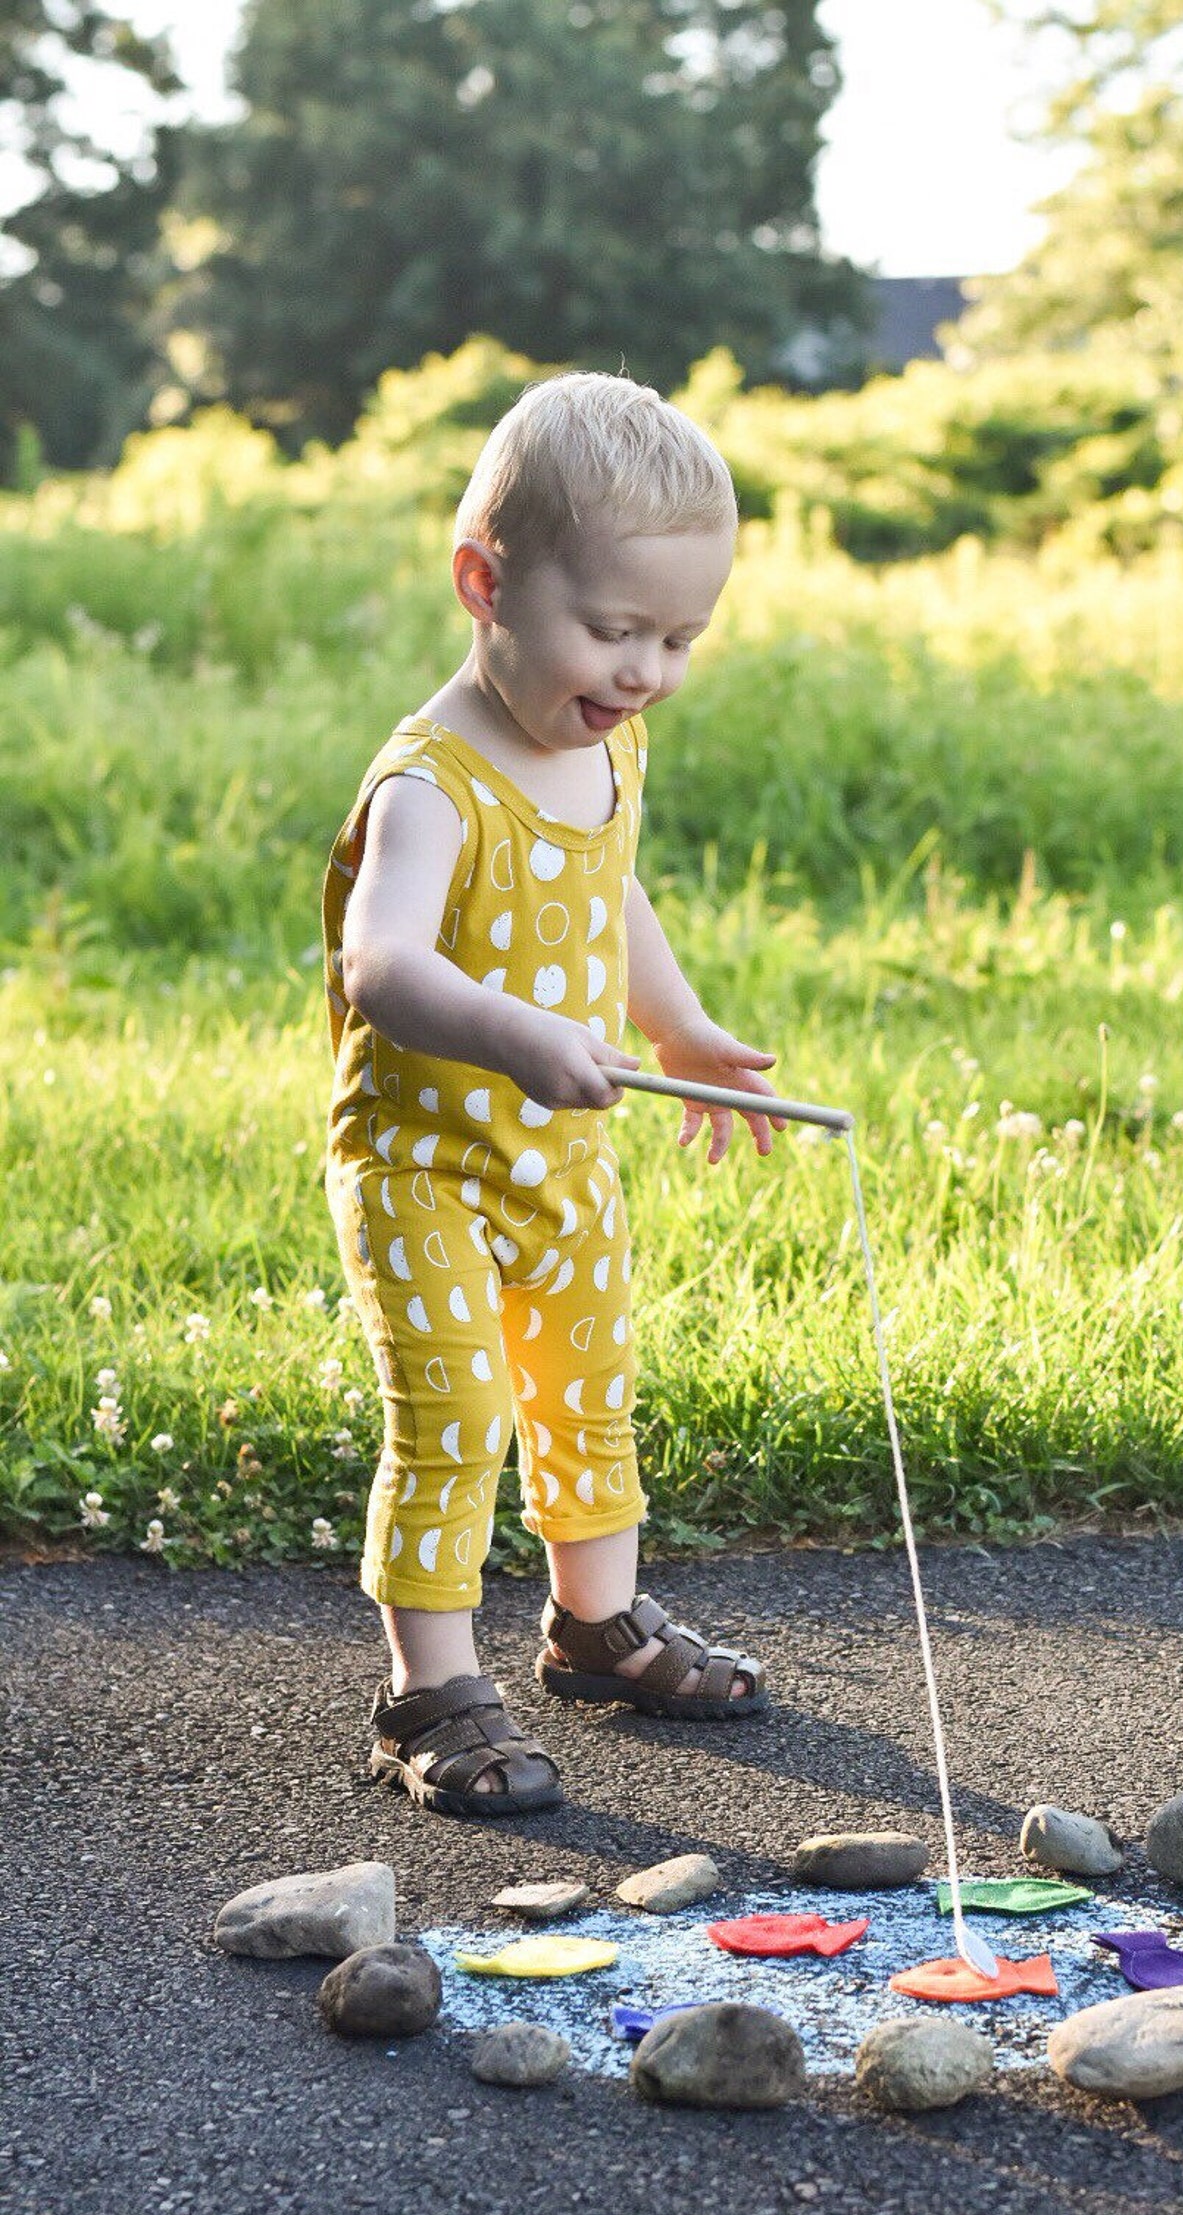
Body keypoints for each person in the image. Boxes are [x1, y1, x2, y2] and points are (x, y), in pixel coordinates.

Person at [321, 370, 780, 1819]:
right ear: (485, 585)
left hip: (560, 1154)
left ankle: (598, 1626)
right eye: (611, 629)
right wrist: (514, 1032)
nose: (644, 670)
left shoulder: (603, 742)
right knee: (454, 1406)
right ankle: (430, 1689)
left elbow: (606, 889)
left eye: (677, 638)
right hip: (425, 1162)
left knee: (586, 1387)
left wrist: (686, 1025)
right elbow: (381, 959)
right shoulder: (436, 783)